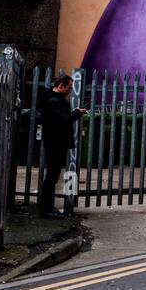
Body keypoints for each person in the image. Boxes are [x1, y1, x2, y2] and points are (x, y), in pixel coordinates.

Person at [38, 74, 86, 218]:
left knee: (52, 176)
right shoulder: (53, 101)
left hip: (56, 142)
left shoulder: (54, 99)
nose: (70, 90)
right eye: (69, 87)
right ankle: (46, 210)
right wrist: (77, 113)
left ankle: (47, 208)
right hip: (55, 143)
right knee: (52, 176)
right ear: (61, 86)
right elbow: (63, 121)